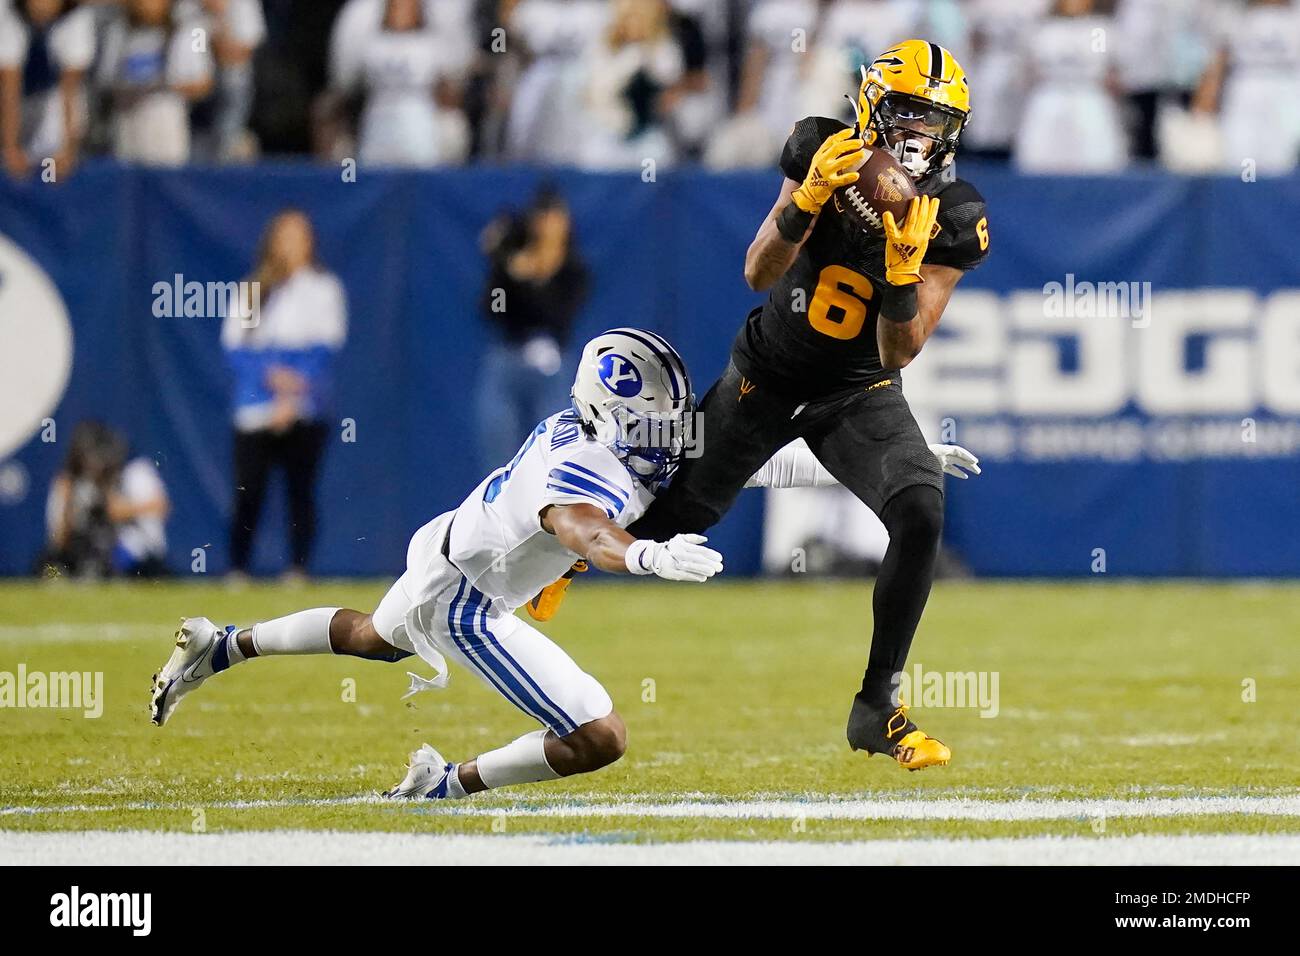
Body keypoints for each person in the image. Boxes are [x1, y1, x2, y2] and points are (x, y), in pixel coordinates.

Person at [150, 328, 977, 798]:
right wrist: (645, 552)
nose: (666, 431)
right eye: (648, 419)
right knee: (598, 735)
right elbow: (582, 527)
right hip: (469, 596)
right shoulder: (578, 461)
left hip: (452, 547)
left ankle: (225, 645)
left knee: (374, 636)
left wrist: (903, 460)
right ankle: (447, 785)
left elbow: (748, 464)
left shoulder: (634, 428)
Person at [536, 39, 991, 773]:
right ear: (873, 105)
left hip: (857, 388)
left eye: (934, 121)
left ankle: (878, 705)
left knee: (920, 509)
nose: (917, 134)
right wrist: (806, 203)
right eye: (905, 113)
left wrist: (904, 273)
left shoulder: (956, 213)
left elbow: (900, 350)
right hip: (768, 371)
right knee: (676, 513)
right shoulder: (822, 147)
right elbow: (757, 271)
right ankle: (537, 563)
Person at [221, 209, 347, 582]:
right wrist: (268, 381)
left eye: (300, 235)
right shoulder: (252, 288)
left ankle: (297, 568)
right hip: (255, 408)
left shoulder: (325, 289)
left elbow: (325, 348)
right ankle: (238, 569)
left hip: (305, 408)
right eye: (285, 235)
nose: (292, 244)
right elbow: (234, 347)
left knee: (300, 491)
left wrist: (293, 396)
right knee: (249, 490)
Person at [476, 185, 588, 472]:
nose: (547, 225)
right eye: (542, 217)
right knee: (499, 452)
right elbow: (490, 309)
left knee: (551, 453)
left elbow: (556, 317)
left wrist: (528, 279)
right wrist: (504, 264)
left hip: (551, 366)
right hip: (509, 357)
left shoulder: (574, 271)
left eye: (554, 217)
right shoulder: (512, 261)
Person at [40, 420, 171, 578]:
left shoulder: (134, 471)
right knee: (50, 567)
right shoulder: (71, 483)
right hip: (84, 552)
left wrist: (114, 506)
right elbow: (59, 541)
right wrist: (69, 505)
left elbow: (160, 506)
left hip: (134, 550)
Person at [95, 0, 214, 166]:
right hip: (126, 119)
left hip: (165, 120)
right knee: (129, 180)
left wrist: (163, 87)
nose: (146, 4)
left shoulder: (189, 32)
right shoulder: (117, 32)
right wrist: (129, 89)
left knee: (167, 181)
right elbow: (104, 82)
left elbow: (203, 84)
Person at [0, 0, 94, 180]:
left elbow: (70, 91)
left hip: (56, 112)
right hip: (17, 109)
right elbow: (9, 87)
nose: (43, 5)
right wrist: (10, 147)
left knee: (51, 176)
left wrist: (67, 149)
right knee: (15, 177)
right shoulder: (8, 11)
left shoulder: (77, 17)